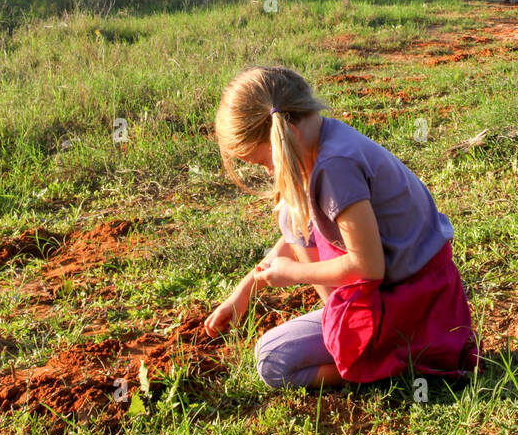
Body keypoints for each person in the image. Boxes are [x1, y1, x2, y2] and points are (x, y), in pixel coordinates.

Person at [205, 66, 478, 389]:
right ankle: (369, 346)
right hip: (405, 290)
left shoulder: (336, 168)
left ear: (286, 135)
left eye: (264, 163)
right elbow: (299, 230)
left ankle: (396, 361)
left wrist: (292, 274)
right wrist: (246, 290)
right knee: (290, 212)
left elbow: (368, 267)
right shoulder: (325, 139)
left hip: (413, 302)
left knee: (272, 359)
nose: (267, 173)